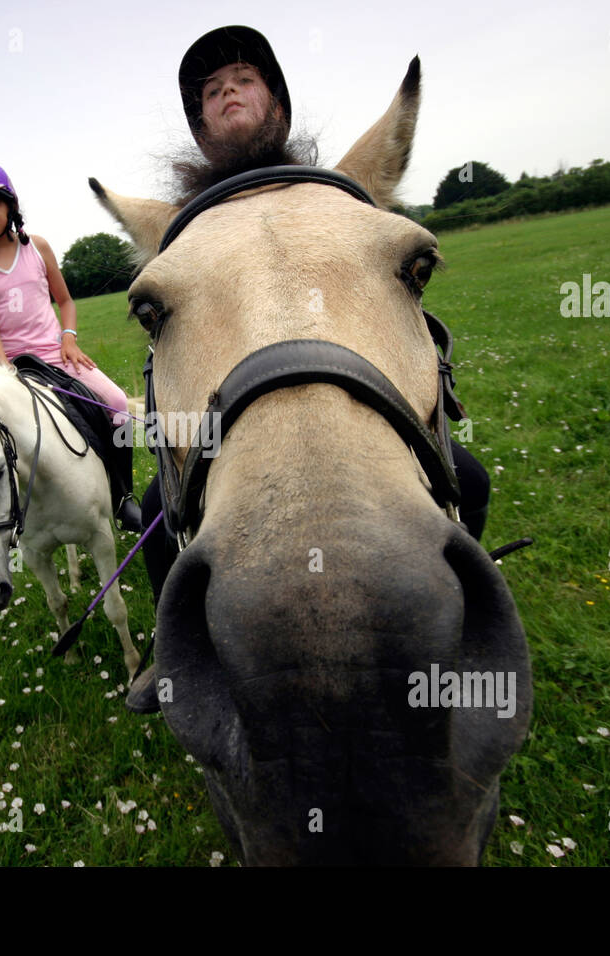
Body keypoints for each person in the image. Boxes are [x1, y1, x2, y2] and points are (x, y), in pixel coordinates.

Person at [140, 26, 492, 604]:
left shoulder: (336, 194)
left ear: (275, 105)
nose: (228, 92)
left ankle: (462, 590)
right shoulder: (184, 226)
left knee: (469, 479)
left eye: (244, 80)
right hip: (225, 407)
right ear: (201, 127)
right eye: (212, 92)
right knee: (158, 508)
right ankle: (167, 645)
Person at [0, 160, 141, 531]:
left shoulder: (38, 248)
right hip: (13, 365)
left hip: (58, 355)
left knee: (118, 405)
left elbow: (66, 302)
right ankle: (10, 518)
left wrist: (68, 338)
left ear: (10, 204)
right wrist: (2, 365)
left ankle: (123, 497)